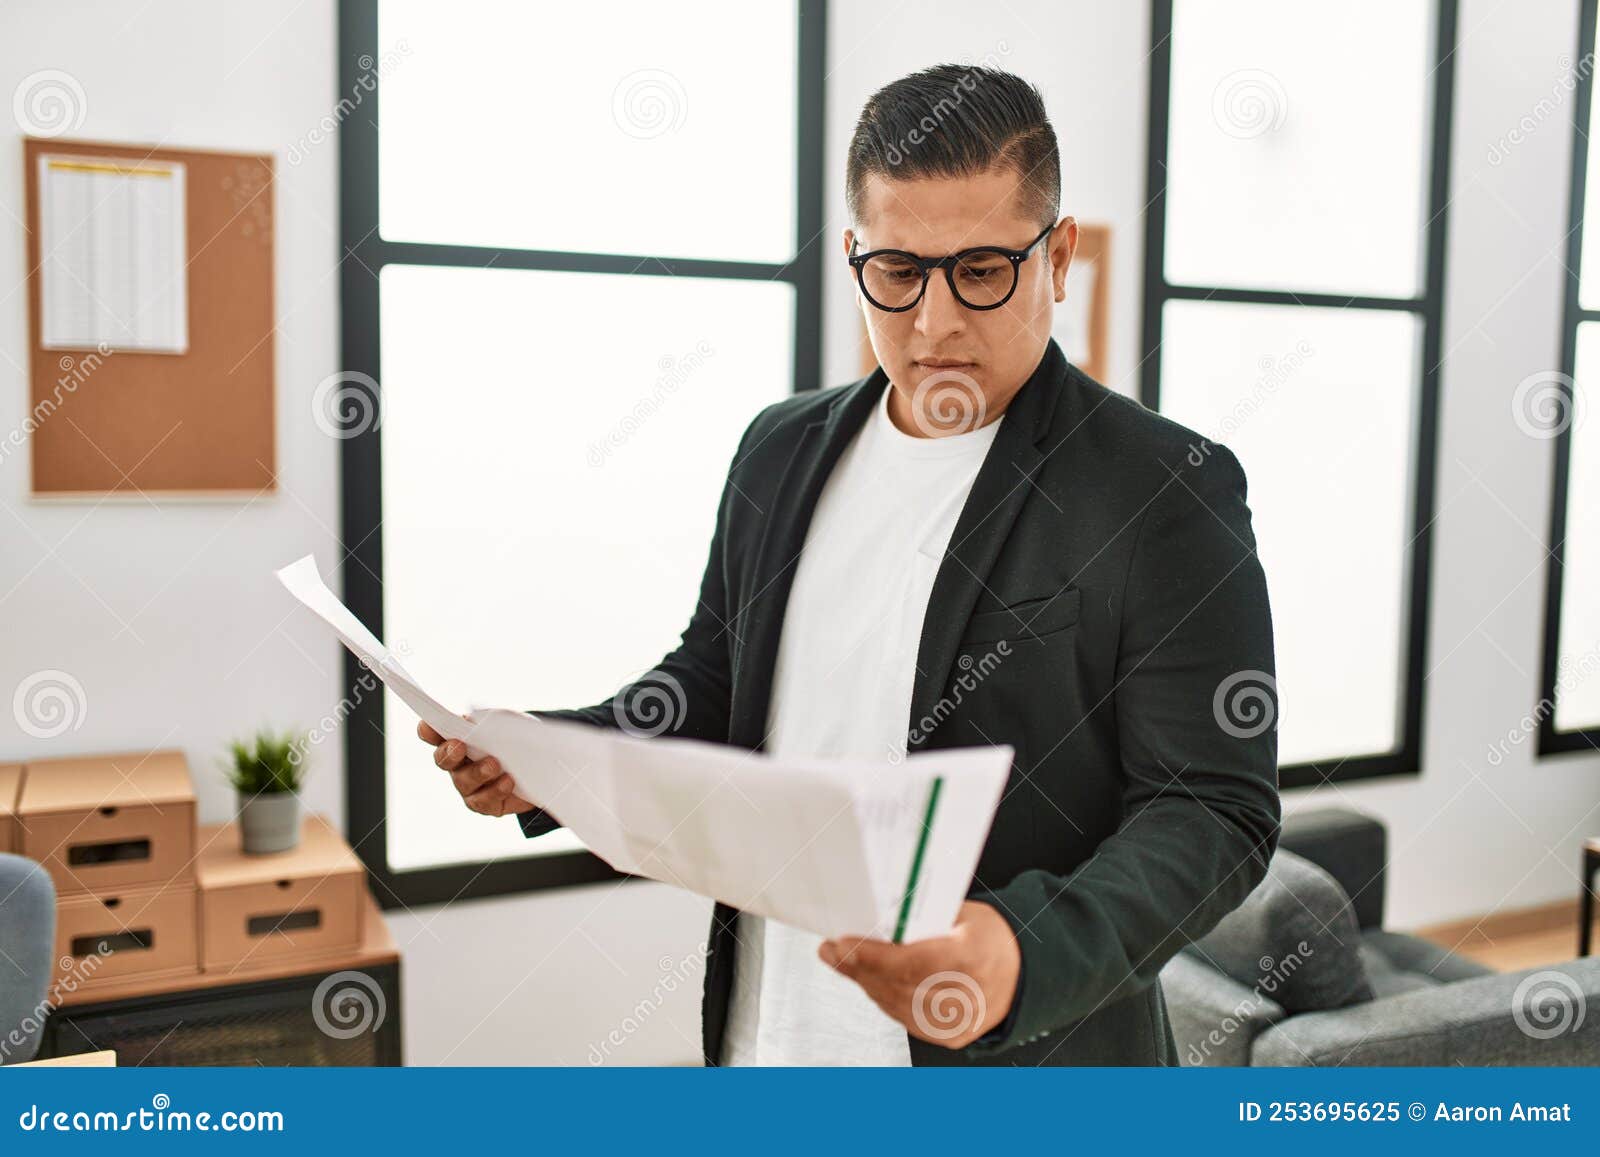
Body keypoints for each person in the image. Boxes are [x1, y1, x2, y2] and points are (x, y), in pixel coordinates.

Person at [420, 63, 1280, 1067]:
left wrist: (1017, 949)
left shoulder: (1159, 486)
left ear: (1060, 256)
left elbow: (1213, 807)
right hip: (770, 1029)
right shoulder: (778, 449)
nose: (935, 322)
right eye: (899, 272)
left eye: (984, 270)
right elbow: (718, 674)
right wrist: (553, 757)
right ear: (852, 255)